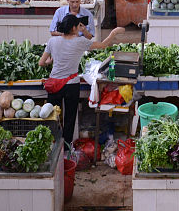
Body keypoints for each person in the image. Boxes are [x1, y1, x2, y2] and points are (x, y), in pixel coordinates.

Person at [40, 16, 124, 147]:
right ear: (74, 28)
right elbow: (103, 45)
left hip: (54, 84)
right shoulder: (80, 41)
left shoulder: (52, 41)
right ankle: (67, 147)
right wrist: (114, 32)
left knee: (52, 117)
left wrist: (50, 61)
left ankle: (52, 146)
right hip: (71, 85)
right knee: (70, 118)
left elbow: (41, 63)